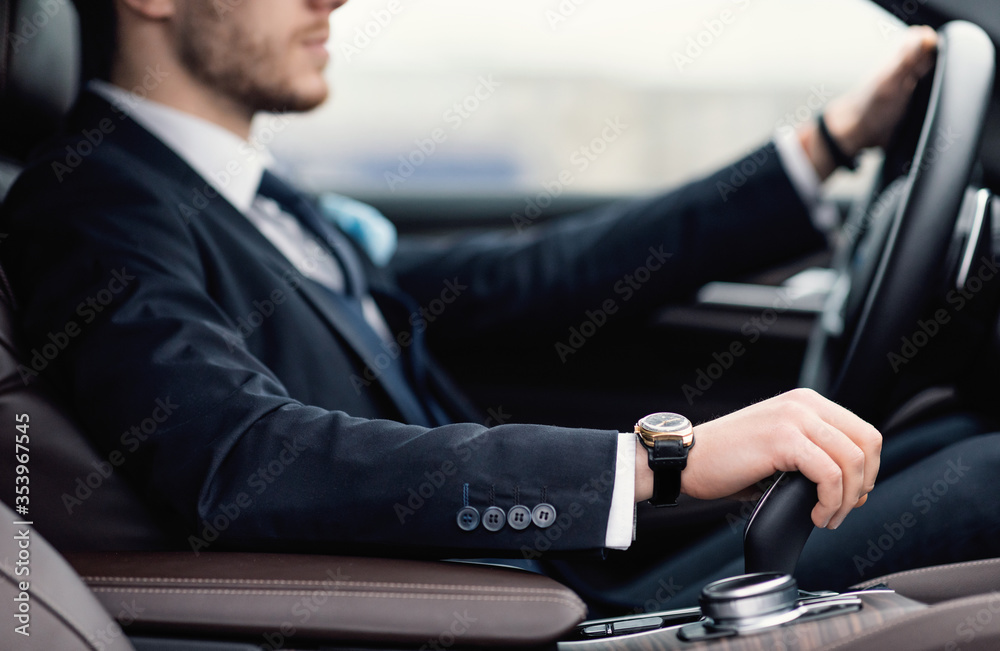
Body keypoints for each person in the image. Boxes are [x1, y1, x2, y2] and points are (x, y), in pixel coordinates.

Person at [7, 0, 990, 611]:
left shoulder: (256, 201)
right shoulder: (87, 207)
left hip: (536, 578)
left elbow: (533, 281)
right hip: (486, 612)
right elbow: (237, 458)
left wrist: (826, 143)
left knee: (932, 436)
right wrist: (663, 464)